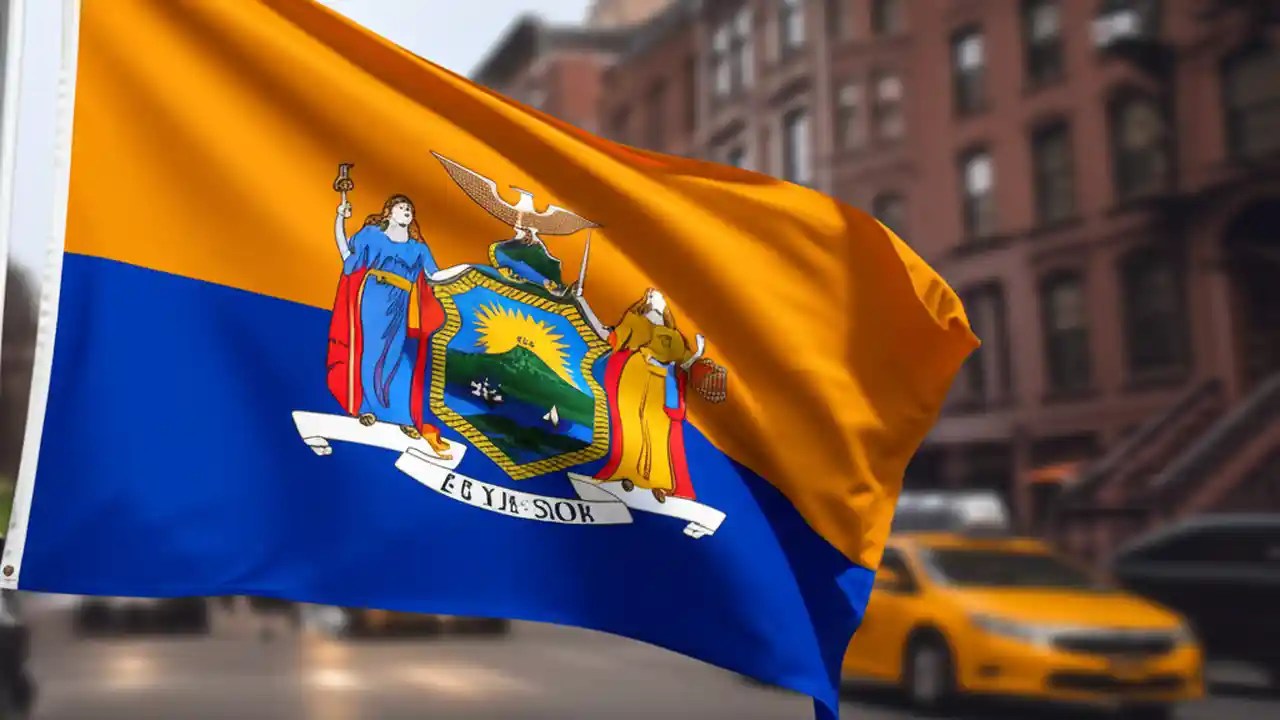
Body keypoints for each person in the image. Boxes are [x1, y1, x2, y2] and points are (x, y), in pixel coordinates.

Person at [326, 194, 451, 457]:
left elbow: (435, 275)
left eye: (410, 208)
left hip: (401, 304)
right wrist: (339, 218)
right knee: (370, 351)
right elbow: (347, 255)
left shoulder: (418, 248)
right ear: (389, 212)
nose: (407, 210)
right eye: (402, 207)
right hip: (373, 297)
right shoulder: (372, 235)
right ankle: (367, 409)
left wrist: (467, 272)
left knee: (399, 357)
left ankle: (402, 416)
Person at [594, 289, 700, 503]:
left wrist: (696, 357)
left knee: (657, 430)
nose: (654, 301)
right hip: (633, 375)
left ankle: (659, 484)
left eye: (658, 299)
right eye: (651, 298)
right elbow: (613, 338)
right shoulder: (635, 321)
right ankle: (628, 473)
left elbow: (685, 360)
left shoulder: (673, 335)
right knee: (630, 424)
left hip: (661, 383)